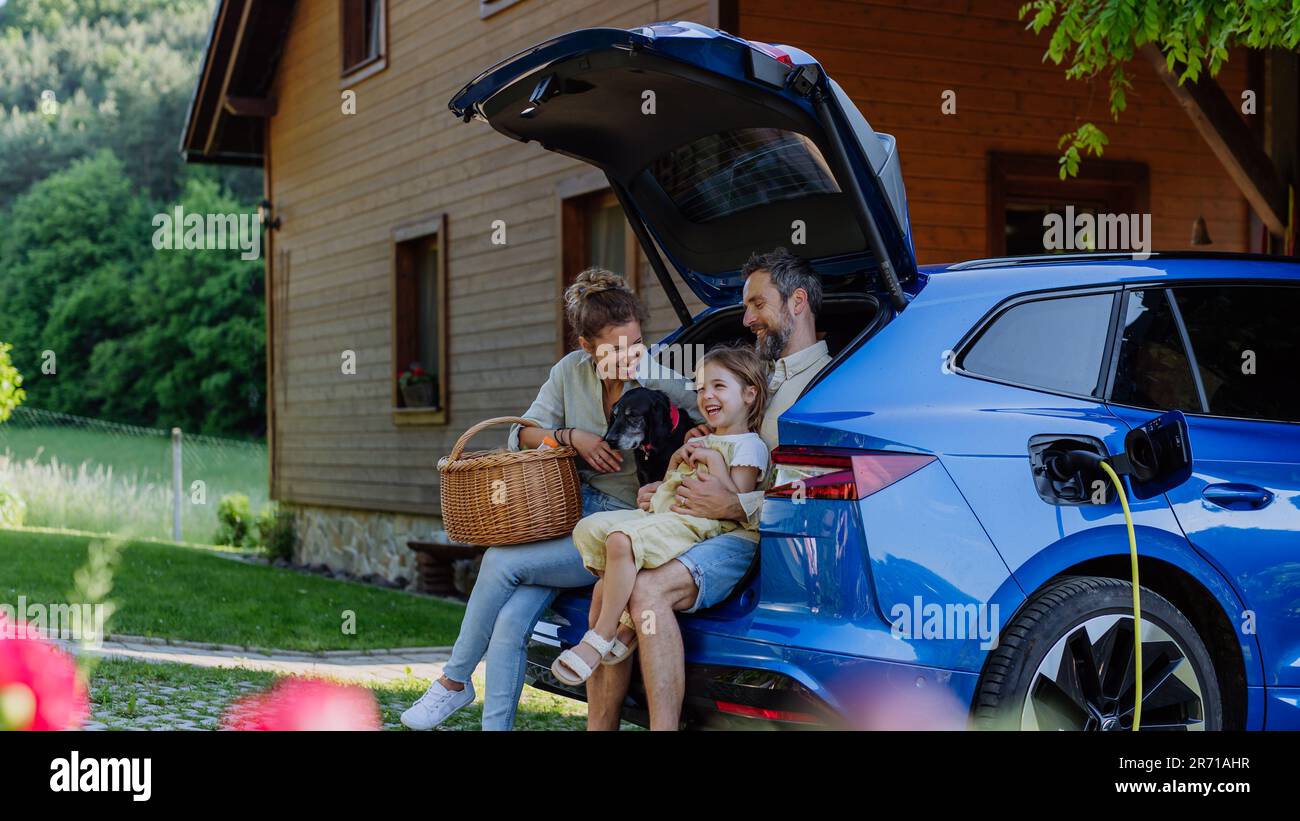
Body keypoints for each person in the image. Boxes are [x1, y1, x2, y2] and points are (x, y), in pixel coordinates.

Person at [400, 268, 699, 730]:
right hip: (565, 516)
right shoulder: (568, 372)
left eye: (636, 343)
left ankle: (453, 682)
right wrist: (570, 436)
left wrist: (688, 451)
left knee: (501, 562)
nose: (630, 356)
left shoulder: (660, 376)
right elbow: (522, 437)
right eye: (615, 348)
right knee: (509, 623)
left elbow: (717, 418)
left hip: (618, 529)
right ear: (585, 346)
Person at [585, 247, 834, 730]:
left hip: (765, 544)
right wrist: (665, 490)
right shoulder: (754, 375)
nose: (747, 318)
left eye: (758, 304)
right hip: (699, 529)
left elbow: (814, 490)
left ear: (797, 302)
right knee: (607, 586)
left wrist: (737, 504)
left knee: (647, 593)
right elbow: (715, 443)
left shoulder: (827, 385)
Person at [551, 346, 770, 685]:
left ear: (749, 394)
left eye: (718, 386)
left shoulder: (749, 446)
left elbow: (732, 503)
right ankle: (624, 625)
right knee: (589, 529)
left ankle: (600, 638)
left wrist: (709, 458)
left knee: (623, 540)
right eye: (700, 389)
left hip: (702, 524)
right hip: (670, 513)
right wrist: (678, 459)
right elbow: (670, 482)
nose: (706, 395)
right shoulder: (701, 438)